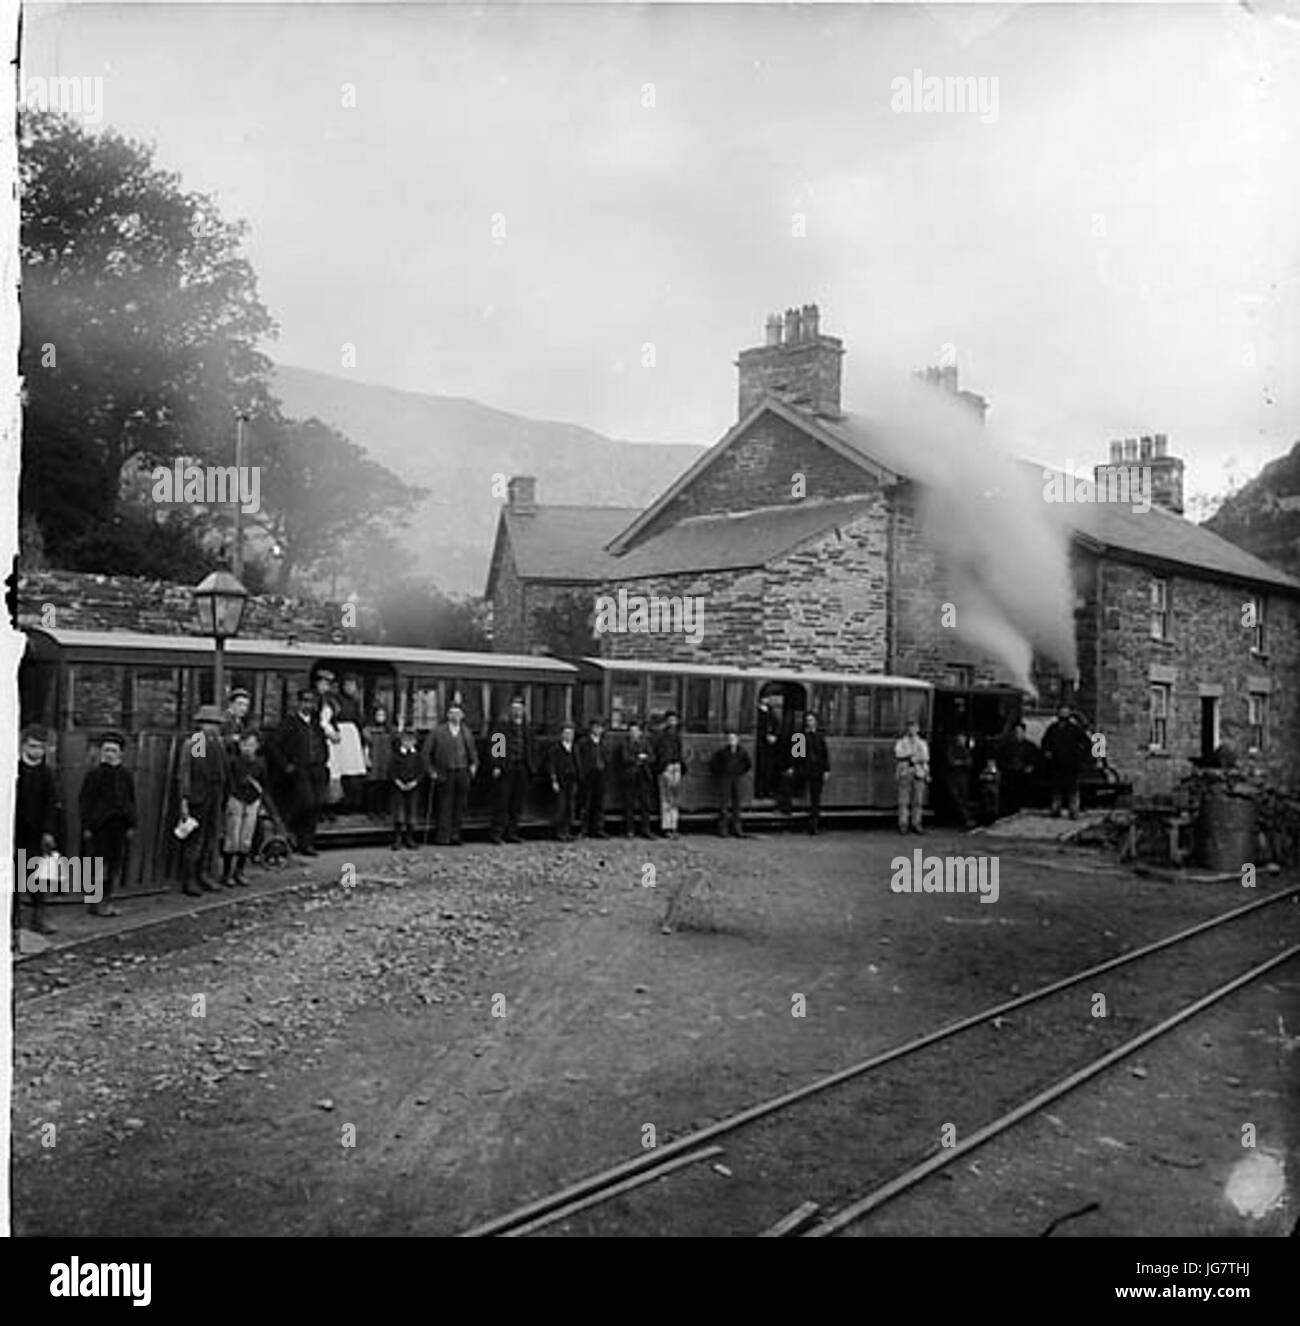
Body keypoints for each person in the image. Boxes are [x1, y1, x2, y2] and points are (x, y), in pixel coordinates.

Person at [78, 730, 136, 916]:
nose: (109, 754)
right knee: (97, 864)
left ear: (120, 753)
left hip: (118, 826)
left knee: (114, 864)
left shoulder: (126, 775)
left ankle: (107, 899)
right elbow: (85, 801)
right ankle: (94, 903)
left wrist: (131, 823)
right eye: (106, 750)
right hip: (99, 826)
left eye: (113, 750)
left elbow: (131, 800)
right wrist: (87, 825)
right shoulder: (94, 775)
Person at [178, 704, 230, 895]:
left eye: (215, 724)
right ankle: (190, 879)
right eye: (209, 723)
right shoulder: (196, 743)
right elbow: (188, 772)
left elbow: (222, 771)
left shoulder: (218, 743)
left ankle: (204, 875)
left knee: (211, 838)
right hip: (199, 796)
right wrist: (184, 798)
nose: (213, 727)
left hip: (215, 796)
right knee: (195, 841)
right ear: (200, 724)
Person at [271, 689, 330, 858]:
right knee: (306, 802)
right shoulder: (289, 722)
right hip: (300, 770)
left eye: (311, 702)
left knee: (316, 805)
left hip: (317, 769)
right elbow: (273, 745)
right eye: (305, 701)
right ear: (298, 703)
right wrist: (286, 765)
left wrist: (325, 760)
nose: (308, 705)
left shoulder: (316, 724)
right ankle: (290, 834)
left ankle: (308, 843)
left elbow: (322, 743)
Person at [15, 724, 62, 937]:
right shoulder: (12, 770)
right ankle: (13, 919)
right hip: (14, 831)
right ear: (23, 745)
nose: (36, 751)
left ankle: (38, 917)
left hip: (36, 832)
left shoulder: (47, 774)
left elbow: (51, 804)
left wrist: (48, 831)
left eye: (40, 748)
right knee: (12, 875)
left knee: (36, 875)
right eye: (32, 746)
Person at [428, 700, 478, 846]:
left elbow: (472, 751)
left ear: (462, 715)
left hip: (462, 771)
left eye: (457, 713)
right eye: (452, 713)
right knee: (445, 805)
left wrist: (474, 764)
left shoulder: (466, 731)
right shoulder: (438, 731)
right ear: (447, 715)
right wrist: (431, 771)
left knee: (460, 805)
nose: (455, 716)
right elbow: (426, 753)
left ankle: (456, 835)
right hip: (445, 771)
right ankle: (443, 837)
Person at [488, 694, 536, 844]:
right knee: (502, 802)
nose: (517, 712)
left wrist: (532, 767)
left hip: (521, 768)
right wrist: (496, 765)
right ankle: (497, 833)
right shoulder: (501, 727)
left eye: (520, 709)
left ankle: (512, 832)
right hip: (506, 767)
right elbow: (496, 748)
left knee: (517, 803)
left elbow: (532, 749)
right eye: (514, 709)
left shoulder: (527, 729)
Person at [222, 731, 265, 887]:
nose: (248, 748)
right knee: (232, 838)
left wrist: (259, 801)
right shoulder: (233, 762)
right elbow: (229, 782)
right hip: (236, 799)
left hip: (253, 801)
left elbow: (264, 783)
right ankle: (227, 873)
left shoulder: (260, 764)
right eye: (245, 744)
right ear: (240, 745)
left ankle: (239, 871)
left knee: (246, 838)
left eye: (252, 745)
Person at [1043, 706, 1091, 819]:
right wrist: (1047, 753)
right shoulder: (1053, 729)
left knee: (1072, 788)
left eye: (1065, 713)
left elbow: (1087, 744)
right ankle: (1056, 809)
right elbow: (1045, 743)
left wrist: (1080, 757)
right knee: (1056, 788)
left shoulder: (1075, 729)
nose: (1063, 716)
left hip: (1071, 764)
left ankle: (1073, 810)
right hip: (1056, 764)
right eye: (1061, 713)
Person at [791, 712, 831, 835]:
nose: (809, 722)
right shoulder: (800, 736)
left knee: (816, 799)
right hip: (805, 768)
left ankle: (814, 826)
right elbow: (796, 755)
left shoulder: (820, 736)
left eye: (811, 720)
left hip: (817, 769)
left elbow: (825, 754)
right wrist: (795, 767)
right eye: (808, 720)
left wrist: (826, 770)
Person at [333, 675, 369, 811]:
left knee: (352, 770)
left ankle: (351, 802)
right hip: (341, 737)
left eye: (352, 685)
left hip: (352, 738)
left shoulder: (354, 702)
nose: (350, 687)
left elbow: (358, 718)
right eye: (347, 684)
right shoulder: (336, 701)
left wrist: (363, 728)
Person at [618, 720, 657, 839]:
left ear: (640, 732)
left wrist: (644, 758)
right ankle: (629, 830)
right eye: (631, 731)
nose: (633, 733)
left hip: (643, 776)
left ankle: (645, 829)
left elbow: (652, 758)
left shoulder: (645, 743)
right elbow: (625, 758)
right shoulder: (624, 744)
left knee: (645, 804)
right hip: (630, 776)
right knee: (629, 804)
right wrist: (638, 758)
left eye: (636, 731)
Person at [710, 730, 752, 837]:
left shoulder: (742, 752)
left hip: (736, 778)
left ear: (738, 740)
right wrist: (721, 772)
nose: (731, 741)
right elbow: (714, 764)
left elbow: (747, 764)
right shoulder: (722, 752)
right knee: (724, 803)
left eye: (733, 739)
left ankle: (737, 828)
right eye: (730, 739)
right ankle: (723, 829)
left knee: (736, 804)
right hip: (725, 778)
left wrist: (739, 771)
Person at [654, 710, 688, 838]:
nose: (673, 722)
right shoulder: (663, 736)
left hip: (674, 766)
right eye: (670, 720)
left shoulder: (675, 735)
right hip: (668, 767)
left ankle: (672, 826)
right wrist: (663, 767)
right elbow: (661, 753)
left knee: (673, 799)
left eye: (674, 720)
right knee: (667, 798)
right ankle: (667, 826)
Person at [894, 719, 929, 834]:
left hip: (919, 773)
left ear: (917, 729)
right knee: (904, 800)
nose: (912, 730)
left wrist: (912, 757)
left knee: (918, 801)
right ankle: (903, 824)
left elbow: (925, 758)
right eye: (910, 727)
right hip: (905, 772)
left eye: (914, 727)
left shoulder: (922, 743)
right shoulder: (901, 742)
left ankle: (916, 823)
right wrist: (912, 756)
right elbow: (899, 754)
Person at [577, 716, 610, 838]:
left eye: (600, 727)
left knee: (599, 803)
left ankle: (598, 829)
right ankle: (584, 829)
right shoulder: (583, 743)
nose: (598, 730)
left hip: (601, 775)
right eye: (595, 727)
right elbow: (580, 759)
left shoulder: (604, 743)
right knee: (586, 803)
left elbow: (607, 758)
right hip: (588, 775)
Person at [995, 721, 1039, 815]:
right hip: (1009, 772)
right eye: (1016, 731)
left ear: (1024, 732)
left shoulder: (1029, 746)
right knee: (1009, 793)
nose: (1018, 733)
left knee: (1022, 791)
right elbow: (1000, 758)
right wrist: (1003, 767)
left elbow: (1035, 758)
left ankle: (1021, 808)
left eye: (1020, 731)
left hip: (1023, 773)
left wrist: (1031, 766)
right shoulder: (1006, 746)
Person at [547, 722, 581, 841]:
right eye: (566, 733)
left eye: (570, 733)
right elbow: (551, 766)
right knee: (560, 806)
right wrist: (554, 780)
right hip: (561, 780)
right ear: (561, 735)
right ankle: (559, 832)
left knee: (570, 807)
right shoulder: (555, 749)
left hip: (572, 780)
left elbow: (578, 764)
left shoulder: (575, 748)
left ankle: (568, 831)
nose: (568, 736)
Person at [390, 728, 423, 850]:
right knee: (399, 813)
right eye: (405, 740)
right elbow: (391, 771)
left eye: (411, 740)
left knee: (412, 812)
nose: (408, 743)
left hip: (413, 787)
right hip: (399, 787)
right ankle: (398, 839)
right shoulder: (396, 755)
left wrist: (415, 782)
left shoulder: (417, 756)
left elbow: (421, 771)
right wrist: (398, 782)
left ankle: (410, 838)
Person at [362, 704, 394, 820]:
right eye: (378, 715)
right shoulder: (367, 729)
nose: (381, 717)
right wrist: (366, 759)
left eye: (383, 715)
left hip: (386, 760)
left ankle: (383, 810)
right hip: (374, 758)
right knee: (373, 786)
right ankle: (372, 810)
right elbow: (365, 745)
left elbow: (396, 740)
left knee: (384, 785)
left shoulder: (390, 729)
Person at [943, 730, 977, 829]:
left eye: (963, 739)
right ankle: (965, 819)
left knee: (964, 798)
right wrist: (962, 762)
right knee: (956, 798)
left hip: (963, 777)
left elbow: (970, 763)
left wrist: (960, 762)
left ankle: (965, 819)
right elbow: (951, 762)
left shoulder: (966, 750)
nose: (961, 740)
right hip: (953, 777)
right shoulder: (951, 749)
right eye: (960, 738)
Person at [221, 688, 252, 753]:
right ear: (231, 704)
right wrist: (234, 738)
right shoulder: (224, 719)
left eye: (246, 705)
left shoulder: (239, 721)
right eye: (240, 704)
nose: (243, 708)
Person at [977, 757, 1002, 826]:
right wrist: (986, 777)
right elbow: (981, 777)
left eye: (991, 763)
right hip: (986, 790)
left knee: (994, 805)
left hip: (994, 790)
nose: (990, 764)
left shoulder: (996, 771)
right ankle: (986, 820)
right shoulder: (985, 770)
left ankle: (994, 819)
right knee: (986, 805)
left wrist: (990, 777)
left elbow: (997, 779)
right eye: (989, 763)